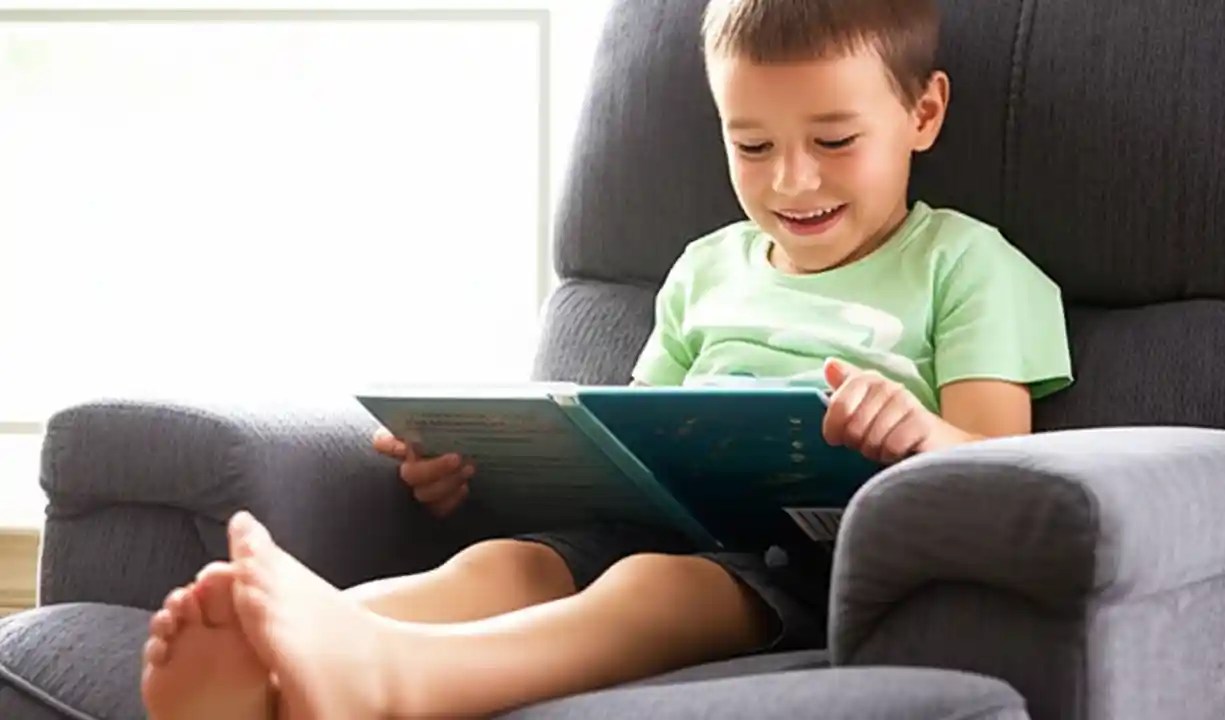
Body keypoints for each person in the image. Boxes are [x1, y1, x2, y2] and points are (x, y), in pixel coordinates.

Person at [139, 0, 1072, 717]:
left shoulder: (969, 264)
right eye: (751, 145)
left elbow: (1002, 469)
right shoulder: (706, 270)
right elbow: (626, 448)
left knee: (654, 586)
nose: (792, 179)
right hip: (655, 527)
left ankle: (391, 682)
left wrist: (913, 431)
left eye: (835, 141)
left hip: (815, 554)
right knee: (508, 563)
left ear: (924, 111)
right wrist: (477, 464)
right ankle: (274, 665)